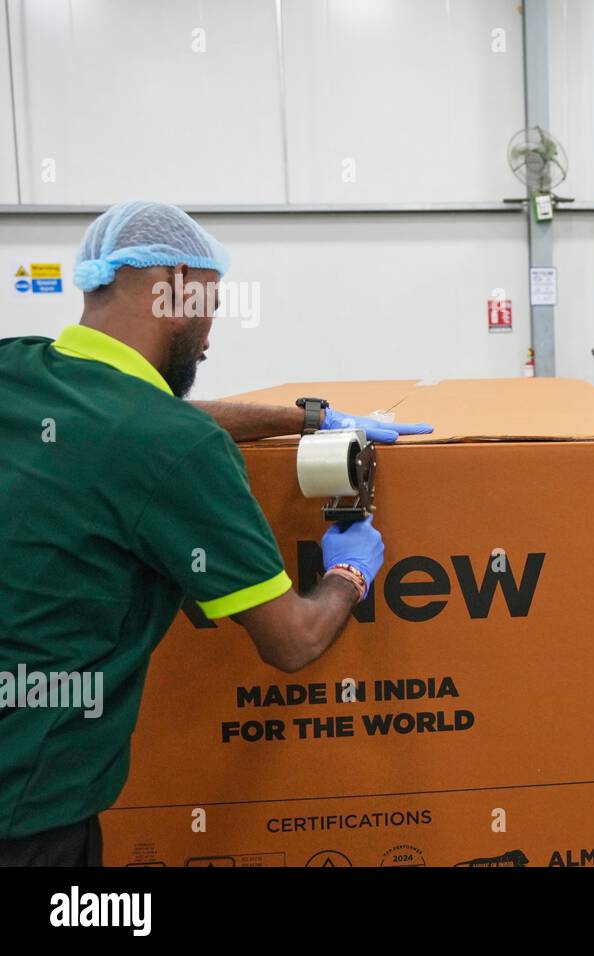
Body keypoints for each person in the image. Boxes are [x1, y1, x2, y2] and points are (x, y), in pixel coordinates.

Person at [0, 200, 432, 866]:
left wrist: (306, 418)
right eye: (208, 309)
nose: (208, 340)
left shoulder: (19, 369)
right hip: (33, 817)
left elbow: (123, 417)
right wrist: (348, 570)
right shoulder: (177, 449)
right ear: (171, 284)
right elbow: (292, 640)